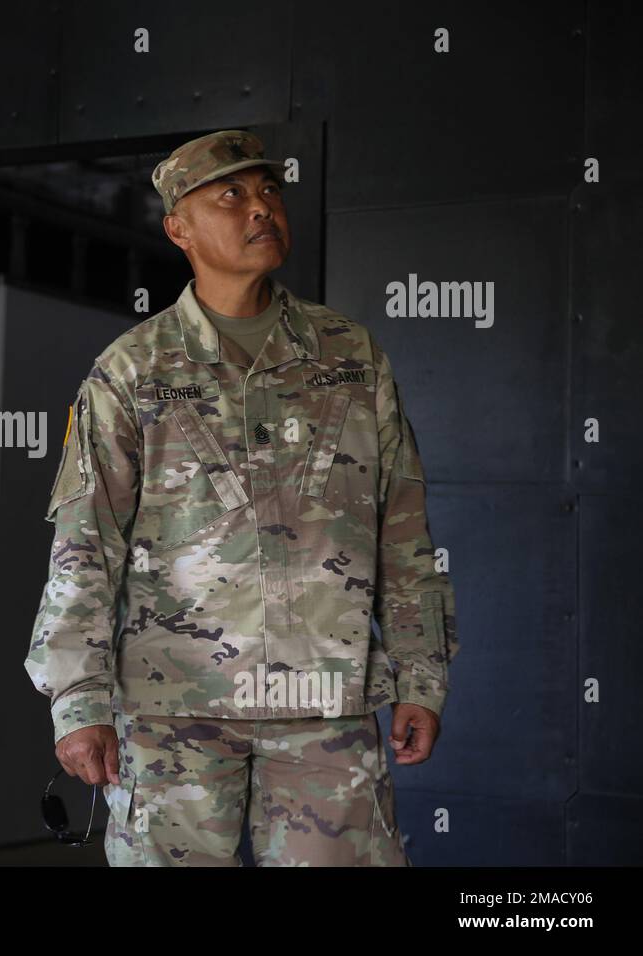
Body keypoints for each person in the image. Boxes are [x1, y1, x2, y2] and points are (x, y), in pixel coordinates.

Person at [25, 129, 457, 866]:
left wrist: (421, 676)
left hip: (325, 706)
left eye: (269, 191)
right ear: (178, 229)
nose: (260, 208)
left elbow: (402, 529)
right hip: (174, 710)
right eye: (231, 194)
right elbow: (84, 545)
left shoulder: (350, 357)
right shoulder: (130, 371)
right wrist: (78, 699)